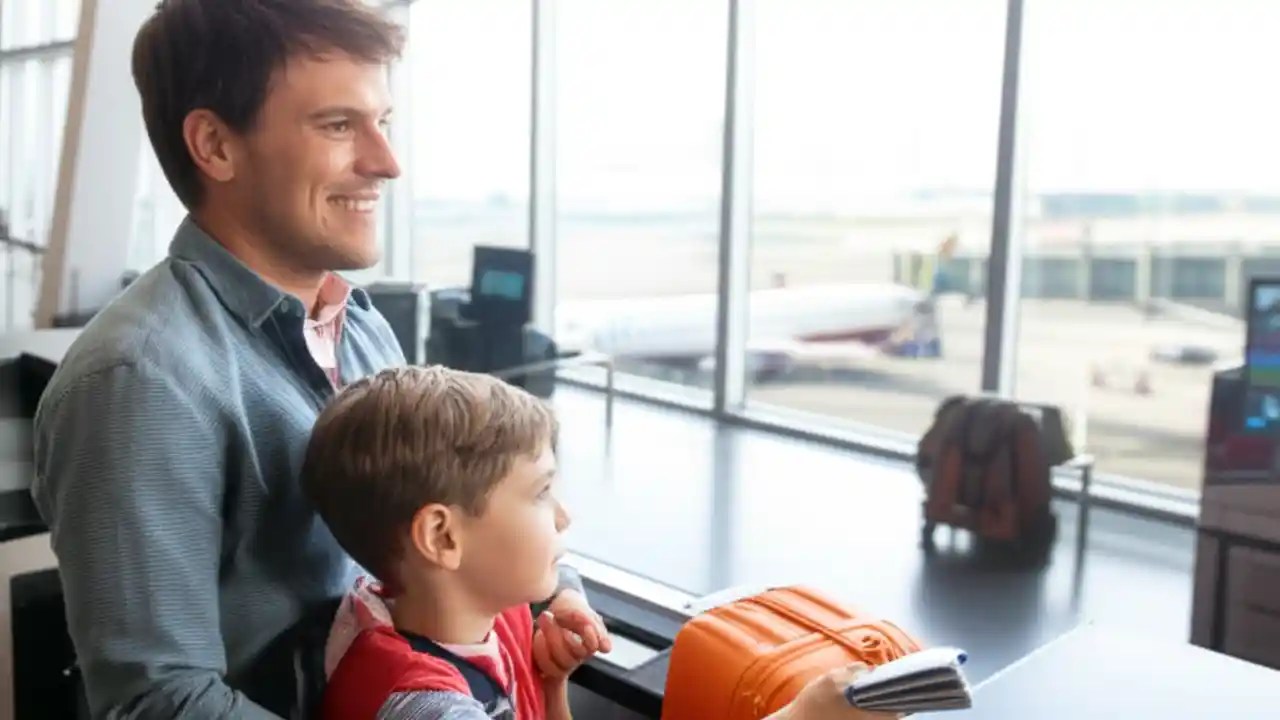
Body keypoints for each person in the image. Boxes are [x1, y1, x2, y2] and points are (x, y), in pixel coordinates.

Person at [30, 2, 599, 717]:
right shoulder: (140, 384)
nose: (385, 162)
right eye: (337, 125)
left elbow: (445, 513)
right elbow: (160, 701)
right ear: (215, 145)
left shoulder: (359, 328)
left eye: (382, 123)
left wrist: (560, 589)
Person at [304, 366, 895, 720]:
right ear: (442, 535)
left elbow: (557, 572)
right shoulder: (420, 706)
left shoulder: (463, 605)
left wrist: (549, 678)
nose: (563, 516)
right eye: (539, 494)